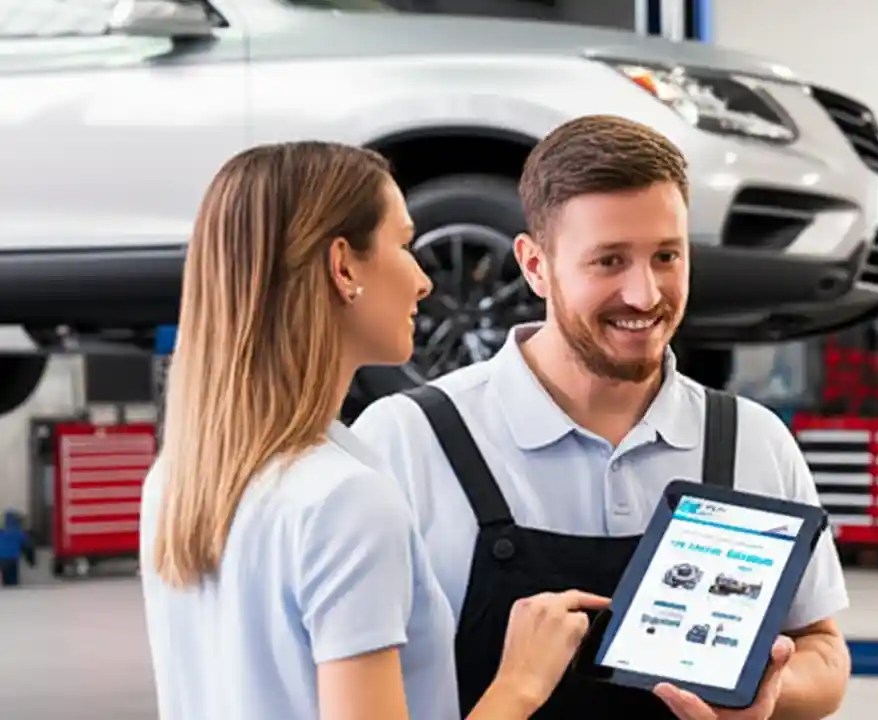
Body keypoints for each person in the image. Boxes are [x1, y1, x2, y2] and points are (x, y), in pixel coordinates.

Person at [351, 114, 852, 720]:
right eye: (609, 261)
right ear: (535, 265)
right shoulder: (408, 441)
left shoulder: (754, 441)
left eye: (667, 256)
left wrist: (766, 691)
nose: (645, 294)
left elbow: (822, 650)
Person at [138, 141, 609, 720]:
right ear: (342, 266)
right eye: (404, 245)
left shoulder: (178, 480)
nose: (423, 281)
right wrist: (520, 683)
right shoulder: (344, 500)